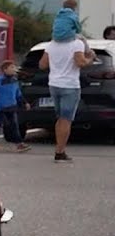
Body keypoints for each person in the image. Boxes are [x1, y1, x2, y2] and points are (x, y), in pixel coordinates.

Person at [39, 32, 96, 162]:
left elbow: (42, 65)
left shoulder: (52, 44)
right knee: (66, 119)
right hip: (70, 85)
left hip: (53, 84)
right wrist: (90, 59)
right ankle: (60, 152)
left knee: (60, 118)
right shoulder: (77, 44)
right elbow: (80, 62)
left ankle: (60, 149)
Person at [0, 60, 28, 152]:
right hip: (2, 108)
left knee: (14, 125)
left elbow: (18, 94)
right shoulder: (0, 80)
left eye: (14, 67)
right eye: (11, 67)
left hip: (12, 106)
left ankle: (19, 144)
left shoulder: (15, 80)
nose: (14, 69)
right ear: (5, 70)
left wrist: (25, 103)